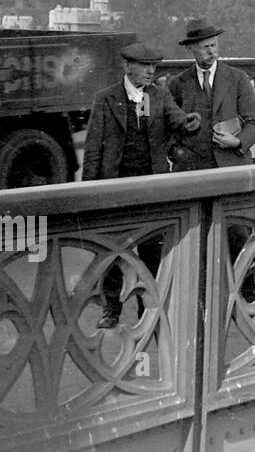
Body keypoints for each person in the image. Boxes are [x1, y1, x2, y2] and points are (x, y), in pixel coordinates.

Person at [82, 42, 202, 328]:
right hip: (116, 187)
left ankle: (148, 311)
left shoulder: (159, 97)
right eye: (145, 65)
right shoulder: (106, 98)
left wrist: (188, 122)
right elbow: (93, 147)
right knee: (112, 250)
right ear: (127, 66)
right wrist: (86, 191)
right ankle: (111, 308)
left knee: (152, 251)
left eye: (153, 66)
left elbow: (176, 119)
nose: (151, 71)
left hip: (150, 187)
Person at [166, 17, 255, 303]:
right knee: (196, 237)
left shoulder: (236, 78)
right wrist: (179, 154)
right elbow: (170, 133)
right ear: (192, 50)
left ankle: (246, 295)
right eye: (205, 47)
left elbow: (254, 124)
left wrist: (238, 142)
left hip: (231, 167)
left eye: (214, 46)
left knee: (237, 232)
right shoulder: (178, 84)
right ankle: (201, 299)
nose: (211, 52)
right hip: (194, 173)